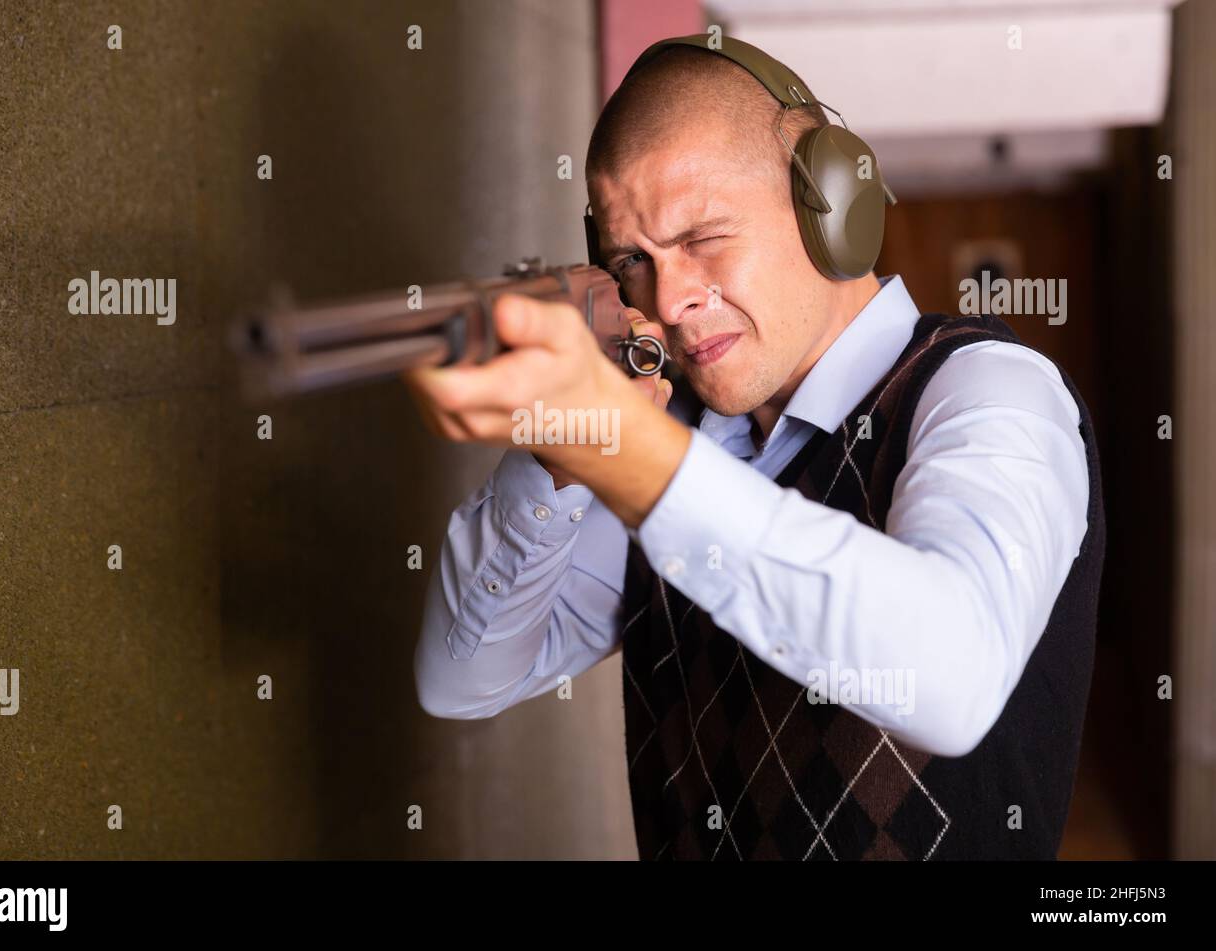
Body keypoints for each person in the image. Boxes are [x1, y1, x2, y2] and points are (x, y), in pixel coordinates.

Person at [404, 34, 1105, 860]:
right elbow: (462, 678)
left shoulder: (991, 392)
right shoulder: (667, 444)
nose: (669, 299)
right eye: (634, 258)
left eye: (704, 237)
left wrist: (632, 455)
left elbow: (949, 677)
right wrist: (562, 457)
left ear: (830, 205)